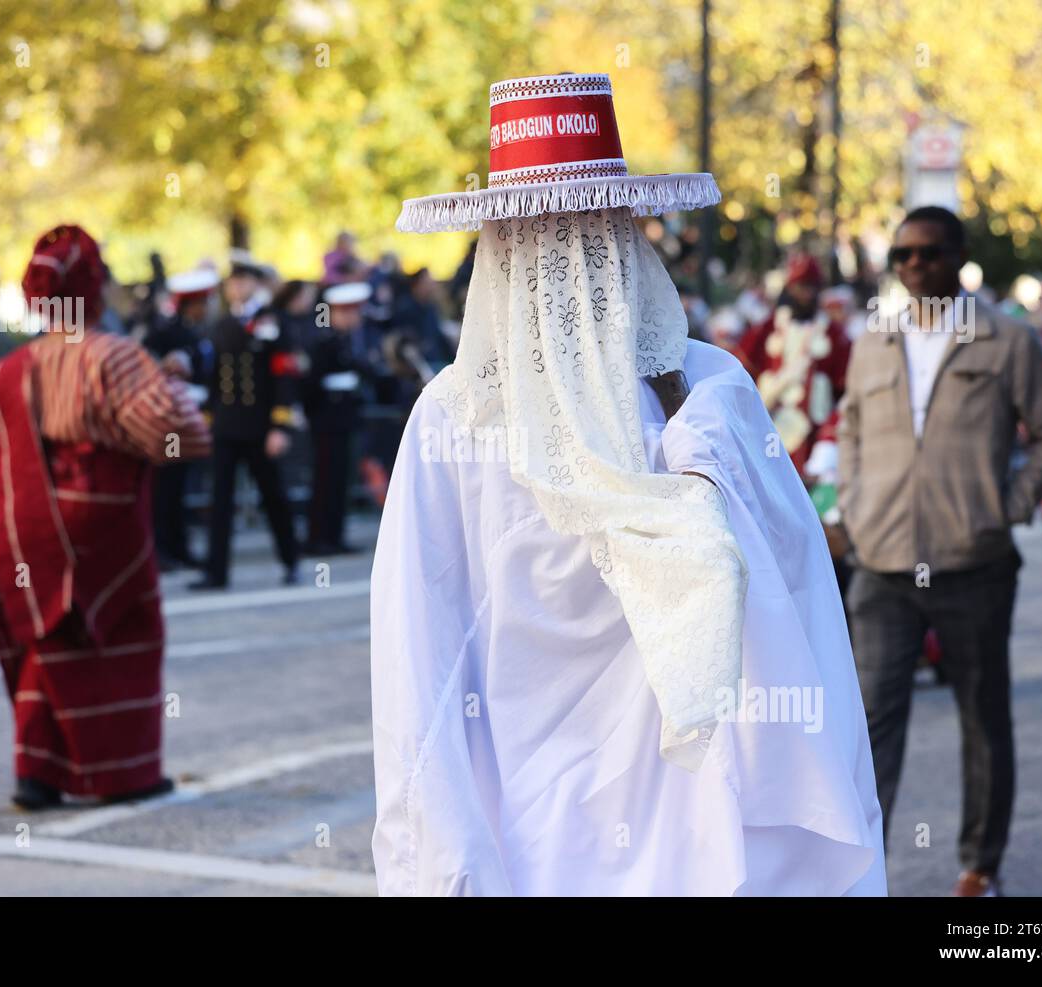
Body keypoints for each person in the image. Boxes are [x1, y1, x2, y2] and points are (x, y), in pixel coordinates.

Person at [372, 72, 885, 896]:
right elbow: (804, 608)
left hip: (609, 825)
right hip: (603, 823)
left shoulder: (705, 393)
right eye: (550, 241)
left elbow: (417, 670)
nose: (566, 267)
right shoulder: (458, 419)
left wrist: (442, 856)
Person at [837, 205, 1042, 897]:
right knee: (871, 721)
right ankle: (865, 867)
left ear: (959, 255)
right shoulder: (873, 340)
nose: (915, 266)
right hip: (881, 562)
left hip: (973, 561)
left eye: (930, 252)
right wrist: (852, 505)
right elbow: (851, 430)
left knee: (982, 717)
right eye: (903, 256)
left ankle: (980, 864)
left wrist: (1010, 505)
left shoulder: (1007, 339)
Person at [0, 225, 211, 809]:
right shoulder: (114, 357)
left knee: (45, 640)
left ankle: (37, 775)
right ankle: (123, 773)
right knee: (122, 635)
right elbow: (178, 435)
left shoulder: (7, 370)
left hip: (27, 519)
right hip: (103, 519)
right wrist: (172, 389)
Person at [190, 255, 302, 589]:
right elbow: (213, 380)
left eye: (243, 281)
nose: (237, 287)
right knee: (220, 500)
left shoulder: (271, 322)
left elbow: (284, 376)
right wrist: (207, 421)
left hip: (259, 427)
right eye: (232, 282)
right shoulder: (221, 325)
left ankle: (291, 559)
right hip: (226, 425)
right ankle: (216, 571)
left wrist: (280, 426)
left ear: (255, 284)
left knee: (273, 497)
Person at [735, 253, 851, 473]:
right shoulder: (767, 328)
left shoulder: (835, 335)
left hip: (815, 442)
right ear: (789, 288)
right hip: (768, 434)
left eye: (813, 286)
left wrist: (830, 439)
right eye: (801, 286)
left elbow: (846, 390)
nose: (807, 293)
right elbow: (739, 373)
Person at [143, 268, 218, 569]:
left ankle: (178, 545)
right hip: (170, 419)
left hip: (191, 416)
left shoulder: (198, 332)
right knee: (165, 486)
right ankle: (161, 548)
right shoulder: (165, 332)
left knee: (181, 485)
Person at [304, 281, 371, 555]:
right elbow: (310, 384)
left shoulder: (344, 341)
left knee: (340, 481)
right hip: (327, 422)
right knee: (325, 481)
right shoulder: (324, 341)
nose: (353, 318)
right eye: (347, 313)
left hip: (342, 420)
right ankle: (319, 537)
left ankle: (335, 535)